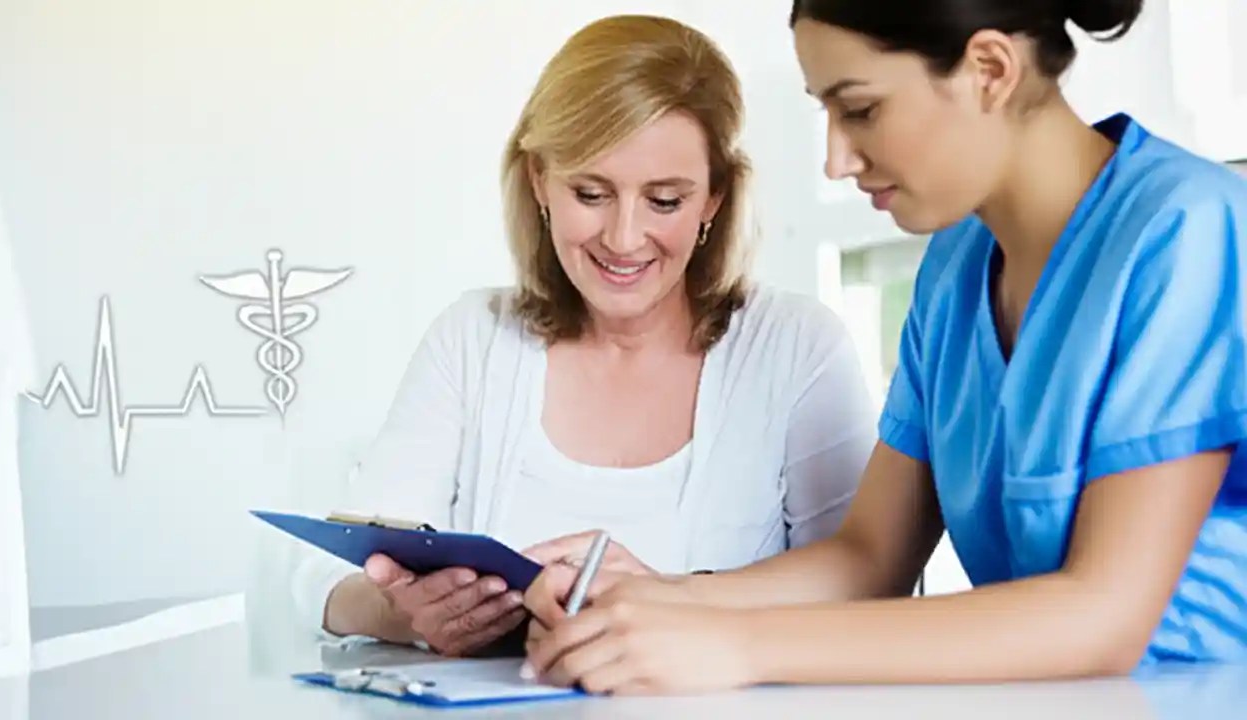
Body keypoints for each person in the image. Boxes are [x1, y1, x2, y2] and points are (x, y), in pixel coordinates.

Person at [521, 0, 1247, 694]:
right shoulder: (957, 262)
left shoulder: (1188, 229)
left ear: (990, 70)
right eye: (826, 112)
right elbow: (869, 557)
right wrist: (658, 602)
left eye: (860, 109)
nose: (836, 158)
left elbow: (1105, 618)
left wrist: (736, 646)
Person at [290, 14, 877, 659]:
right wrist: (405, 614)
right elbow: (324, 580)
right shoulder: (472, 340)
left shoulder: (798, 350)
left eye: (665, 201)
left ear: (714, 198)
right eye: (591, 193)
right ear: (540, 180)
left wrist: (673, 603)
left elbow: (870, 596)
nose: (624, 239)